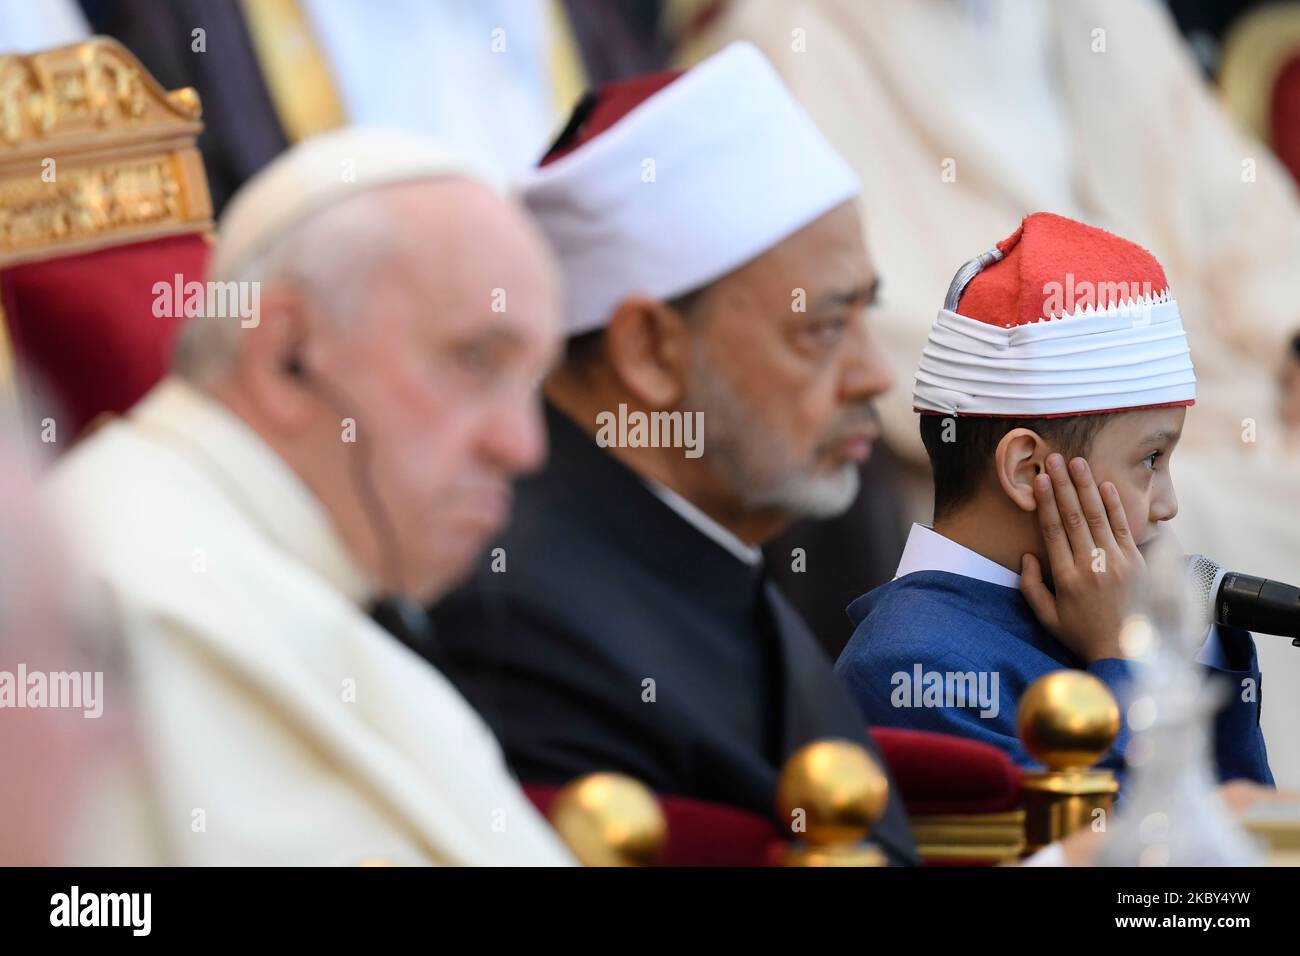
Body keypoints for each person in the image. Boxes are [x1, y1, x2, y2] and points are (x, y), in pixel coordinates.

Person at [427, 42, 917, 865]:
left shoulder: (703, 539)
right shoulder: (519, 621)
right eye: (824, 329)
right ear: (651, 351)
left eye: (868, 316)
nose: (874, 373)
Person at [45, 127, 573, 865]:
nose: (523, 446)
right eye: (475, 360)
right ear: (288, 353)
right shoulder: (131, 597)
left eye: (534, 383)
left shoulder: (282, 572)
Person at [835, 212, 1273, 786]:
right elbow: (1137, 855)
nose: (1168, 504)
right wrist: (1123, 659)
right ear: (1029, 469)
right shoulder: (913, 666)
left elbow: (1242, 838)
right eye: (1151, 460)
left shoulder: (1093, 612)